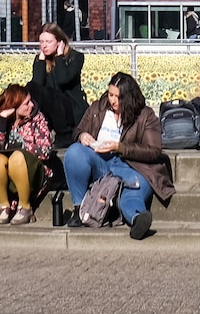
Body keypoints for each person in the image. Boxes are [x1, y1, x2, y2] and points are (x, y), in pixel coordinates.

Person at [64, 71, 175, 239]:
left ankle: (138, 219)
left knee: (130, 196)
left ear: (128, 97)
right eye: (110, 94)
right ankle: (80, 208)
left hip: (133, 168)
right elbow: (78, 130)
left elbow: (154, 150)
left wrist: (120, 147)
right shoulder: (97, 108)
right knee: (74, 152)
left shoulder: (145, 115)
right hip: (101, 164)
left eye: (118, 96)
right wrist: (81, 136)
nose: (113, 100)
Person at [0, 84, 54, 224]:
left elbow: (46, 150)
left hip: (31, 171)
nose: (31, 105)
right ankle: (4, 206)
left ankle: (25, 206)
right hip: (6, 172)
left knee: (17, 156)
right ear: (14, 106)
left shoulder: (37, 118)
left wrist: (22, 147)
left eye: (30, 101)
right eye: (26, 103)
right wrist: (2, 122)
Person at [27, 22, 88, 143]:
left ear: (59, 42)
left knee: (47, 93)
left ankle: (64, 136)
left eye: (48, 42)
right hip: (49, 107)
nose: (44, 46)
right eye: (41, 42)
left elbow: (63, 79)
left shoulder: (75, 57)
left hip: (70, 107)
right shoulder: (40, 60)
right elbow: (37, 85)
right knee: (31, 88)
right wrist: (41, 60)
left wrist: (60, 56)